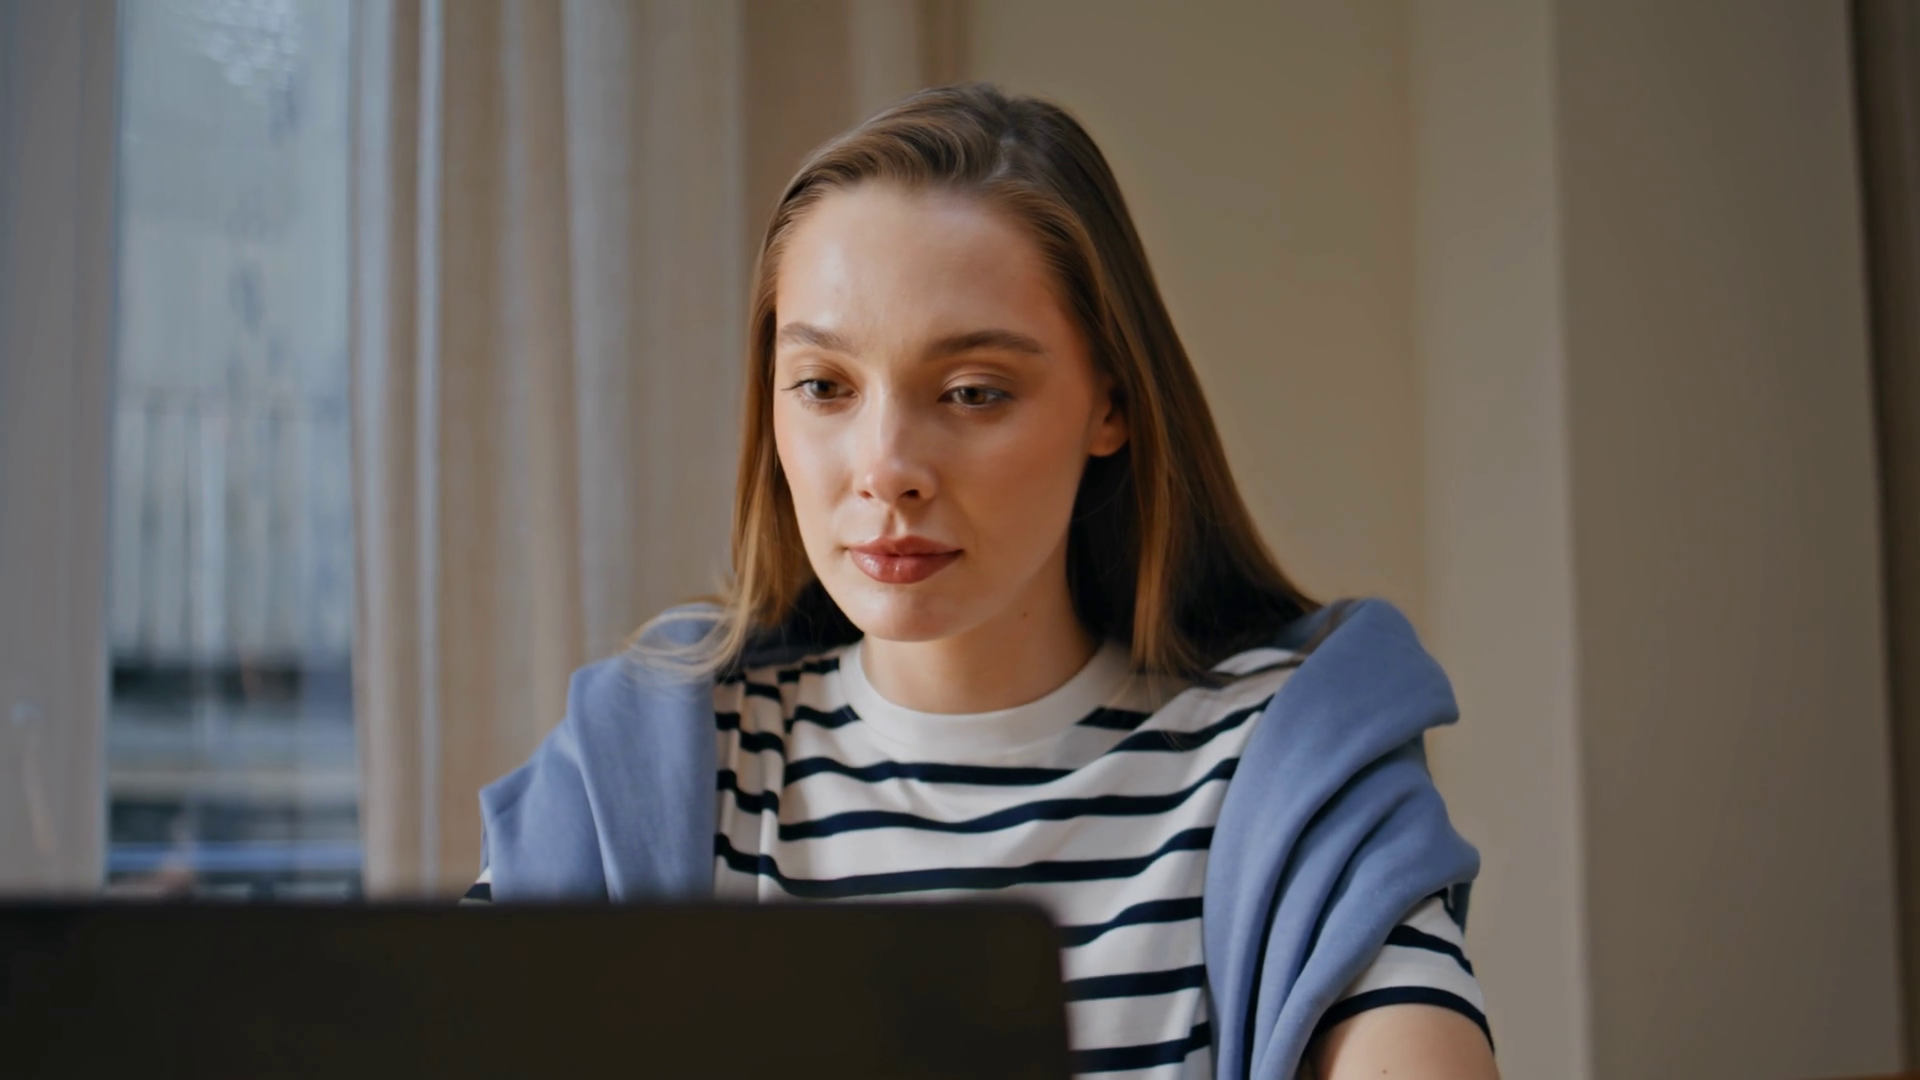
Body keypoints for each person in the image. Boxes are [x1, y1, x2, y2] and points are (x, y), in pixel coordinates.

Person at [468, 84, 1498, 1080]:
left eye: (971, 392)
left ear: (1112, 405)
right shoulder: (652, 773)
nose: (885, 468)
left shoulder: (1288, 773)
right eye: (824, 386)